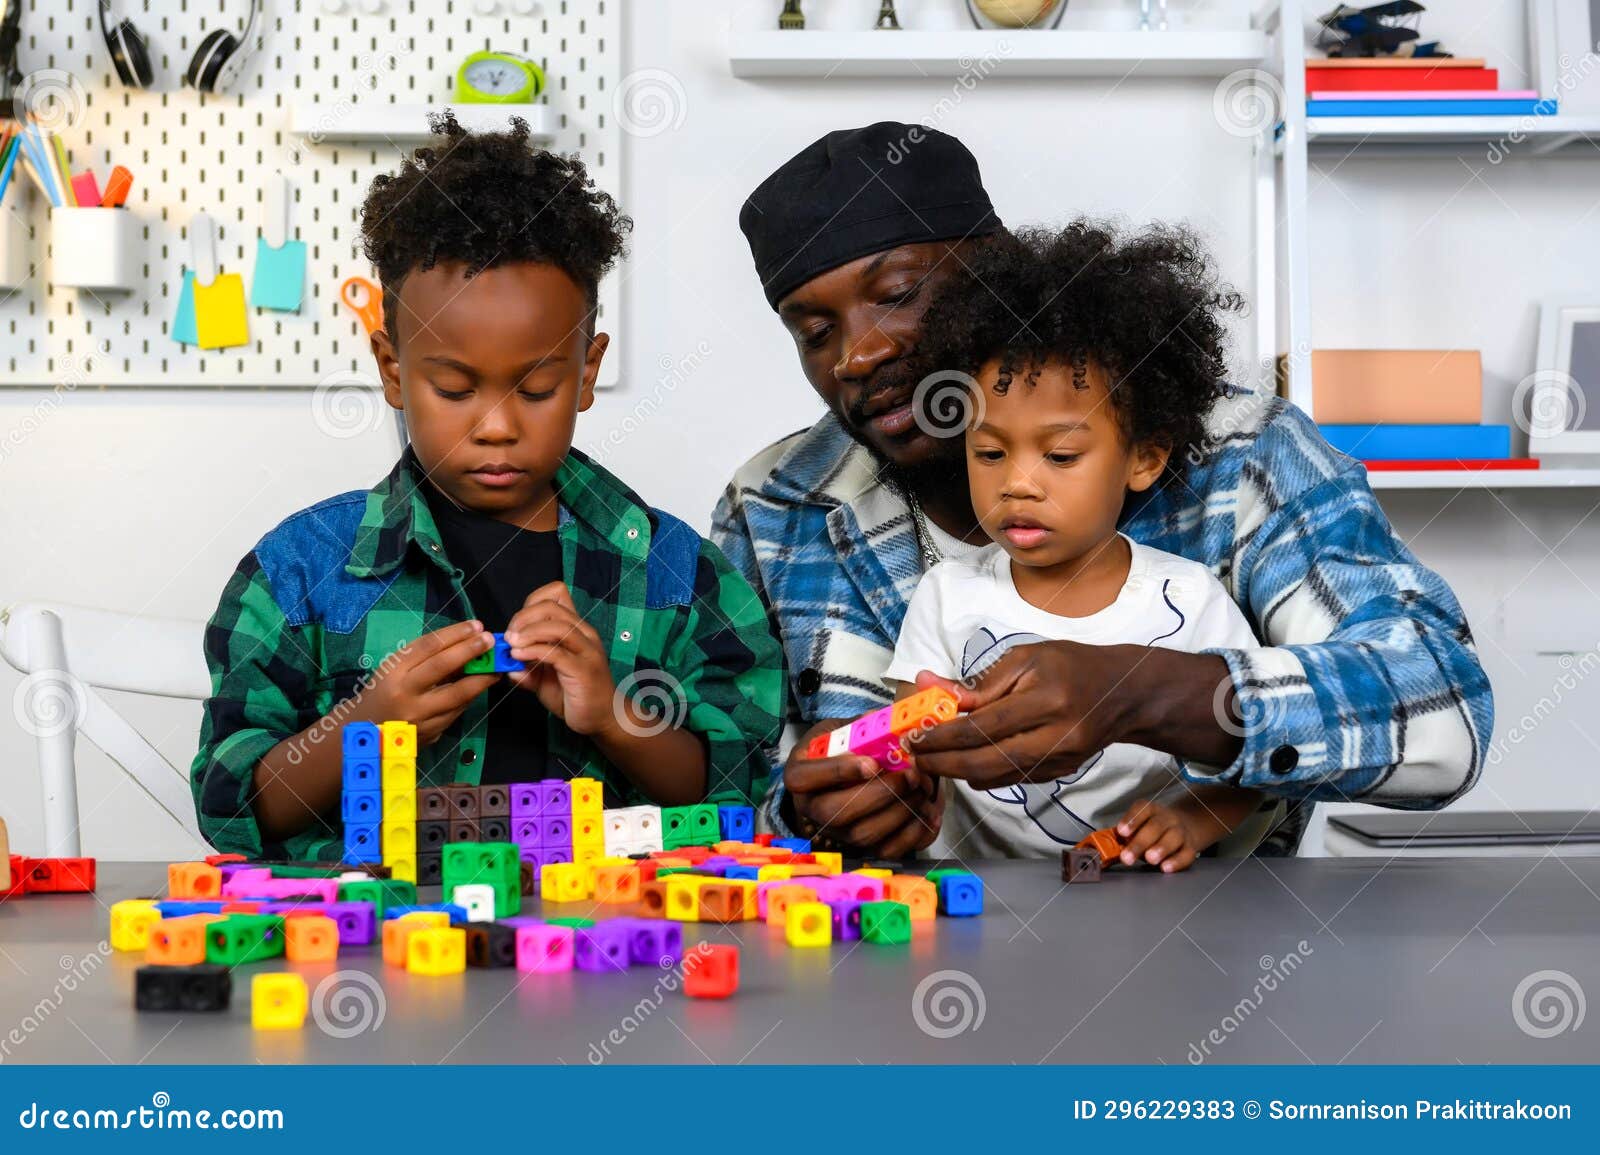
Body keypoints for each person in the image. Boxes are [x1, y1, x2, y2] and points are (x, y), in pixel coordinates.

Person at [713, 121, 1491, 858]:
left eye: (898, 292)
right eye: (815, 332)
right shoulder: (775, 508)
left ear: (994, 271)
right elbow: (721, 799)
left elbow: (1445, 707)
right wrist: (807, 814)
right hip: (910, 966)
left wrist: (1149, 693)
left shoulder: (1241, 454)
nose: (857, 353)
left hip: (1219, 957)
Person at [191, 113, 785, 860]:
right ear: (393, 370)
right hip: (377, 957)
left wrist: (611, 714)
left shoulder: (678, 573)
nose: (497, 426)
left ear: (587, 372)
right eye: (455, 388)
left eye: (537, 388)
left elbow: (736, 793)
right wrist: (363, 724)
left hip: (608, 950)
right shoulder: (301, 570)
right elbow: (232, 804)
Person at [879, 223, 1274, 870]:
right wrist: (913, 742)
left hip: (1147, 909)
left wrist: (1191, 820)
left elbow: (1251, 747)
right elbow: (910, 755)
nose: (1018, 483)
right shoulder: (948, 594)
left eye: (1060, 454)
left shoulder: (1187, 599)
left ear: (1144, 458)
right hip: (985, 915)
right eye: (989, 452)